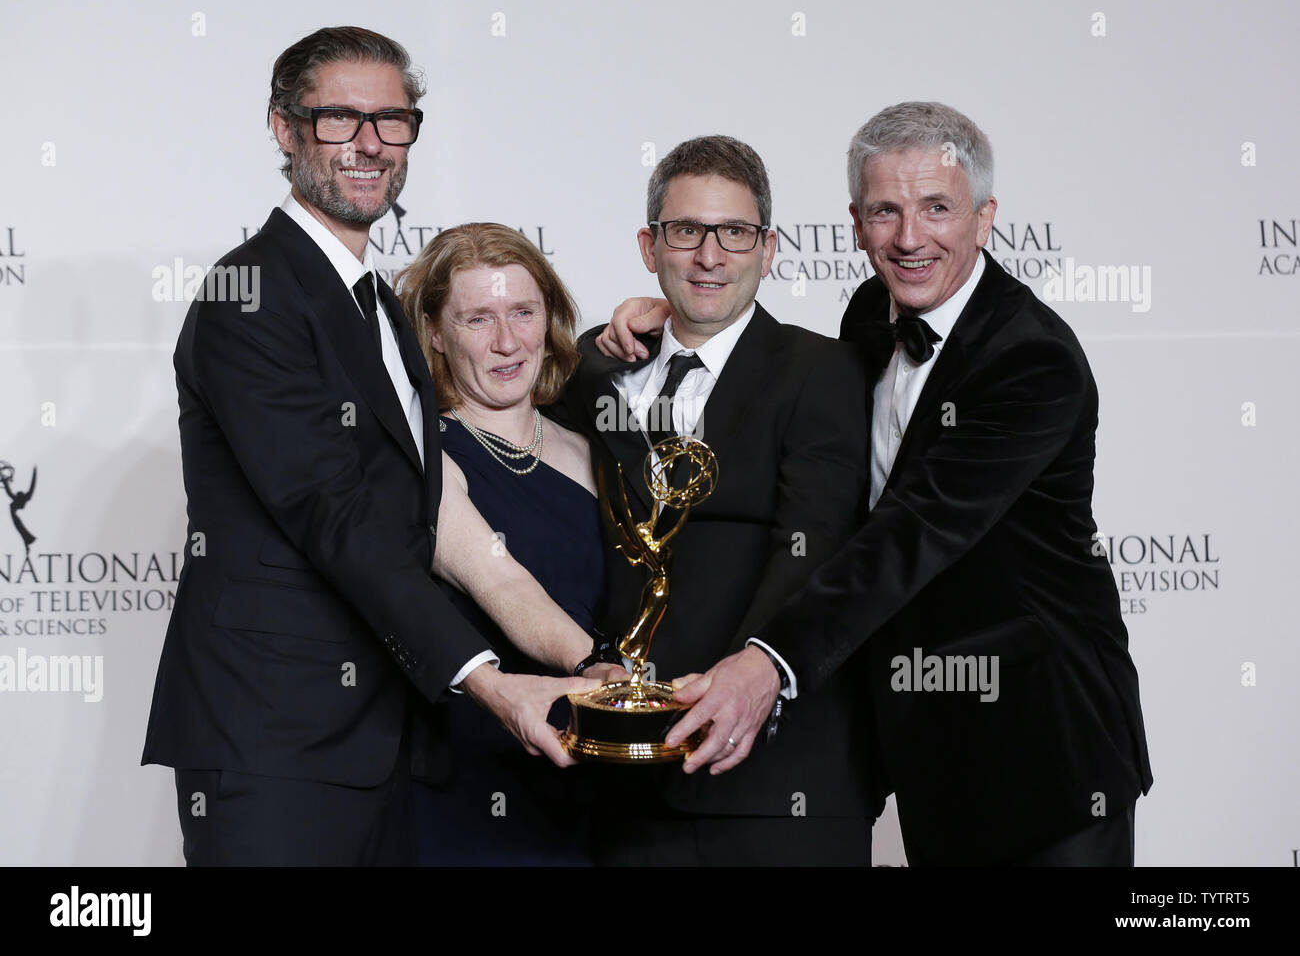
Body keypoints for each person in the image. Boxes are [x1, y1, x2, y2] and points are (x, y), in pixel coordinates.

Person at [630, 102, 1153, 866]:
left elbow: (912, 533)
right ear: (855, 221)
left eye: (937, 208)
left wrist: (766, 660)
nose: (910, 238)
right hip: (926, 744)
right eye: (886, 211)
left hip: (1048, 748)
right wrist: (672, 323)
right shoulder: (873, 312)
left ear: (984, 218)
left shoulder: (1032, 360)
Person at [141, 27, 594, 866]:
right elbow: (333, 511)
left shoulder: (379, 306)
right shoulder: (253, 294)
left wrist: (596, 666)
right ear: (283, 129)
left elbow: (433, 520)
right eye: (340, 119)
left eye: (392, 120)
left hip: (386, 743)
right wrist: (490, 681)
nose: (371, 143)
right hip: (274, 741)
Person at [563, 135, 878, 866]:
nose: (710, 255)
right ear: (651, 246)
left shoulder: (822, 370)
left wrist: (750, 675)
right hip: (624, 781)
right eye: (686, 231)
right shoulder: (591, 368)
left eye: (735, 232)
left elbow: (819, 542)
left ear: (768, 250)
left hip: (775, 783)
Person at [396, 222, 612, 865]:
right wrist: (605, 672)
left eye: (523, 311)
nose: (507, 341)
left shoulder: (597, 448)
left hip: (594, 776)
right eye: (477, 319)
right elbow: (500, 580)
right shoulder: (424, 455)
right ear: (435, 332)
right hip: (476, 780)